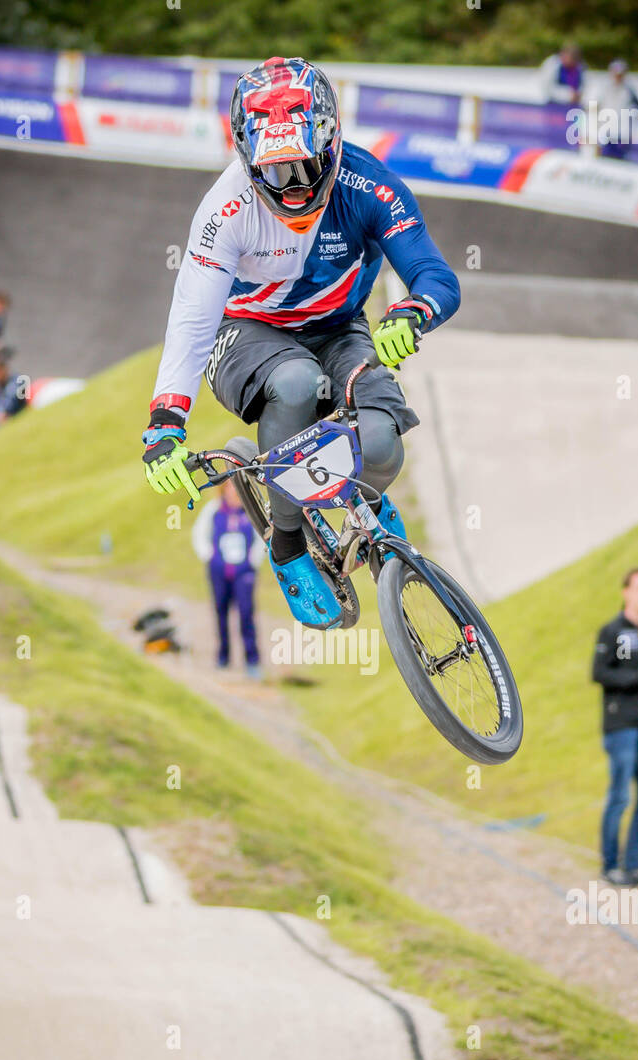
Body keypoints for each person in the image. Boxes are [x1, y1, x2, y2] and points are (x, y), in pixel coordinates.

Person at [141, 54, 460, 629]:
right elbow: (191, 320)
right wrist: (166, 421)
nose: (294, 189)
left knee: (384, 446)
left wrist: (412, 313)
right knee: (293, 383)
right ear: (246, 158)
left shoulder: (369, 185)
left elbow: (435, 276)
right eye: (276, 172)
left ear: (331, 139)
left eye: (306, 167)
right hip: (243, 331)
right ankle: (288, 548)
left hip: (338, 328)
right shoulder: (224, 210)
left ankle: (360, 496)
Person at [591, 568, 638, 887]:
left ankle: (633, 865)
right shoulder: (611, 631)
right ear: (626, 592)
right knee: (619, 796)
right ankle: (610, 867)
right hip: (621, 726)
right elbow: (599, 674)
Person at [191, 479, 265, 674]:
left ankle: (252, 660)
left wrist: (253, 561)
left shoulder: (250, 512)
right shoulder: (213, 510)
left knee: (246, 614)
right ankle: (223, 656)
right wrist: (209, 556)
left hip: (243, 572)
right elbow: (199, 534)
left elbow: (262, 539)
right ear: (223, 490)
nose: (234, 494)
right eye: (230, 489)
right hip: (219, 571)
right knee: (220, 613)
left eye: (237, 490)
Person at [595, 59, 638, 158]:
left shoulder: (629, 91)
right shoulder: (604, 89)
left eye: (620, 74)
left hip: (621, 135)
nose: (618, 77)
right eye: (616, 74)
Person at [540, 41, 587, 106]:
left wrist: (578, 95)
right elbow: (547, 88)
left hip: (573, 106)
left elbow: (583, 87)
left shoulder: (580, 68)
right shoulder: (552, 64)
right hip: (553, 105)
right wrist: (568, 95)